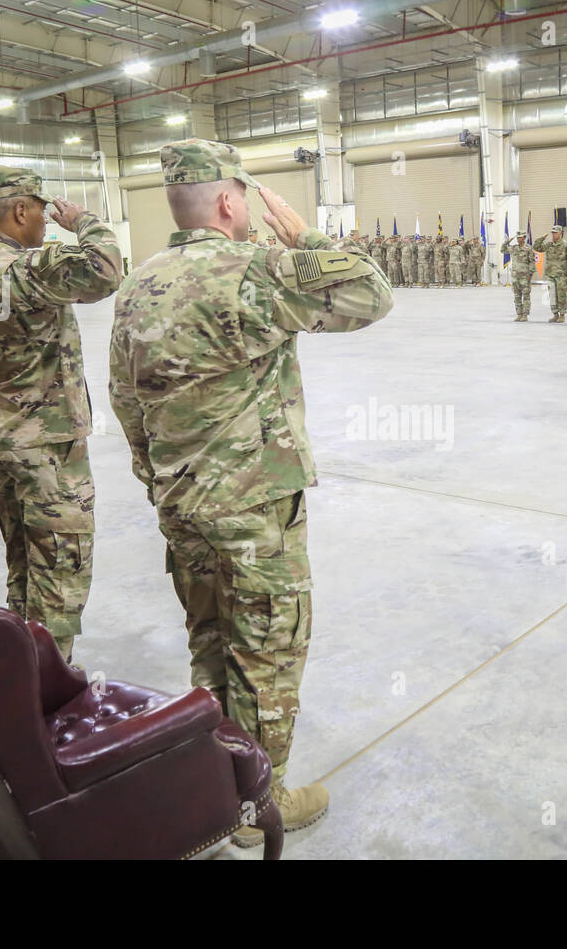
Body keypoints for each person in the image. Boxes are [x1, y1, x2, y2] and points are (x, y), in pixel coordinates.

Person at [109, 138, 393, 848]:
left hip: (180, 500)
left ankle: (214, 782)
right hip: (254, 504)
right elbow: (372, 294)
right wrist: (307, 238)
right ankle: (256, 806)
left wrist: (158, 476)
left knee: (209, 637)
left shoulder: (138, 283)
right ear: (229, 201)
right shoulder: (258, 268)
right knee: (267, 649)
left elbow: (125, 398)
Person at [0, 166, 122, 661]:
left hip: (0, 436)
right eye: (41, 210)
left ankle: (17, 669)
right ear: (20, 211)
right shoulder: (27, 268)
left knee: (23, 561)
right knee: (60, 569)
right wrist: (84, 221)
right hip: (47, 447)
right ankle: (48, 680)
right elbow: (106, 270)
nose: (46, 219)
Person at [534, 225, 567, 323]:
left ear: (560, 233)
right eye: (553, 233)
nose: (554, 234)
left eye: (555, 233)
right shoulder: (549, 244)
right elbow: (536, 248)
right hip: (550, 274)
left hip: (561, 275)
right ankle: (555, 314)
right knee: (552, 295)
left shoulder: (566, 245)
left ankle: (562, 315)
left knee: (561, 295)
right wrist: (542, 238)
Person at [508, 230, 534, 321]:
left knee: (526, 296)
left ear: (524, 238)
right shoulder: (514, 248)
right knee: (517, 296)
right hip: (515, 276)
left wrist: (530, 273)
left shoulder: (528, 248)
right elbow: (502, 250)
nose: (519, 239)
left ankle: (525, 315)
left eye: (520, 237)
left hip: (524, 277)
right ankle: (519, 314)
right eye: (518, 237)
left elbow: (532, 261)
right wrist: (507, 241)